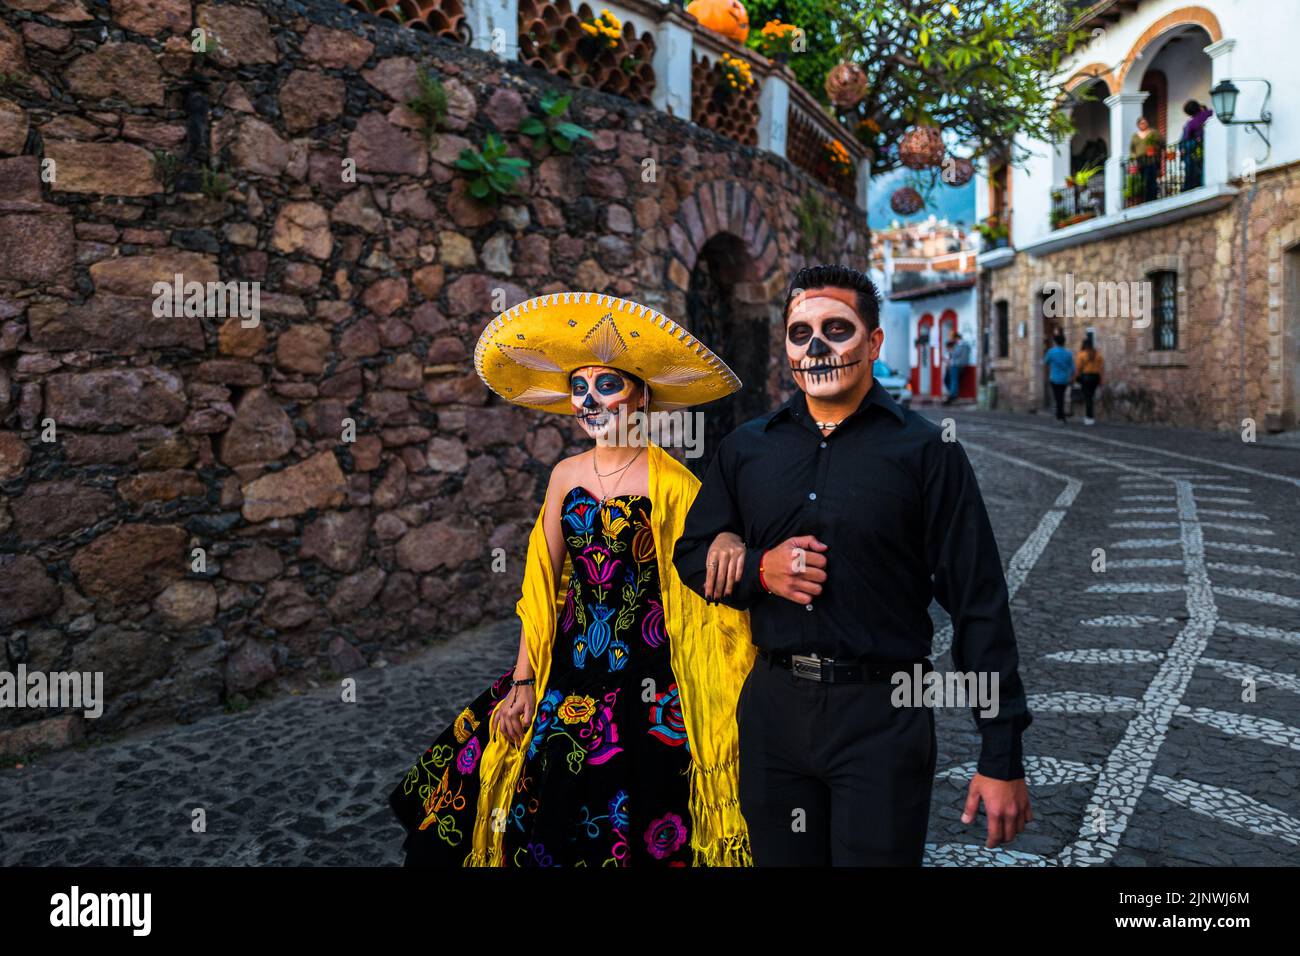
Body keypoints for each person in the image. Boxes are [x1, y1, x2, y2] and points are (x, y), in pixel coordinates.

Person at [672, 264, 1034, 866]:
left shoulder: (926, 452)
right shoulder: (745, 449)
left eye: (835, 329)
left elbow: (979, 603)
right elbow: (693, 553)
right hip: (773, 713)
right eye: (799, 333)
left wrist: (1002, 756)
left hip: (882, 718)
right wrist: (760, 568)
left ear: (873, 342)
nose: (815, 348)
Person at [389, 292, 755, 867]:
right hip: (570, 666)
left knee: (640, 798)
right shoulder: (564, 475)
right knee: (541, 790)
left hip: (649, 678)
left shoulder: (677, 483)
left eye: (605, 384)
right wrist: (523, 680)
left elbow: (699, 588)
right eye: (579, 387)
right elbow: (541, 583)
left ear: (641, 394)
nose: (589, 400)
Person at [1128, 115, 1164, 202]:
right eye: (1141, 123)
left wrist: (1156, 150)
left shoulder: (1153, 133)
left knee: (1151, 178)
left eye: (1144, 122)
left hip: (1152, 159)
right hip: (1140, 161)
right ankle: (1144, 198)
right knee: (1143, 179)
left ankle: (1152, 197)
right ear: (1138, 125)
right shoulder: (1135, 136)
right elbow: (1132, 149)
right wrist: (1133, 157)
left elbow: (1162, 143)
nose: (1143, 124)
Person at [1180, 99, 1212, 189]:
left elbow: (1185, 138)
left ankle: (1190, 186)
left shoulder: (1191, 123)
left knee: (1196, 168)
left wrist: (1182, 148)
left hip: (1198, 150)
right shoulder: (1210, 113)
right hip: (1211, 146)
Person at [1044, 331, 1075, 424]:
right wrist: (1071, 377)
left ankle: (1060, 416)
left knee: (1057, 397)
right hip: (1065, 379)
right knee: (1061, 396)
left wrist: (1050, 369)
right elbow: (1072, 367)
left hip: (1054, 378)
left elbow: (1046, 362)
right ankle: (1061, 415)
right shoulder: (1068, 353)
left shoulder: (1051, 352)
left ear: (1055, 342)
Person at [1075, 336, 1104, 425]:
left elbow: (1078, 367)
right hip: (1095, 377)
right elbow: (1101, 367)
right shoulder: (1098, 354)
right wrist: (1101, 379)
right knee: (1091, 396)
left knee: (1087, 397)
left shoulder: (1082, 354)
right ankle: (1090, 416)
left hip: (1086, 377)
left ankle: (1089, 416)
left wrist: (1076, 377)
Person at [943, 330, 971, 405]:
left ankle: (953, 395)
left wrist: (951, 351)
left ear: (956, 338)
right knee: (949, 380)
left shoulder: (961, 345)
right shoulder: (962, 345)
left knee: (953, 380)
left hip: (957, 365)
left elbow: (955, 354)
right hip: (957, 364)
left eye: (953, 338)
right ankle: (952, 393)